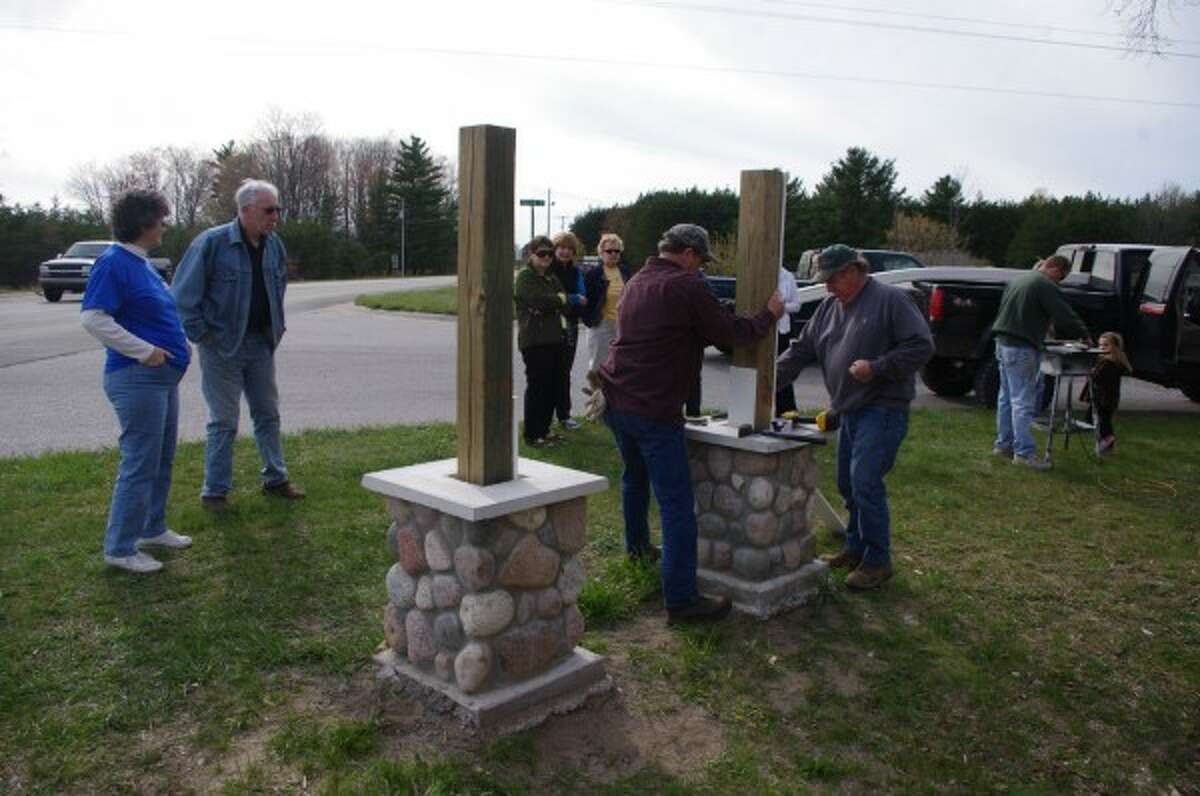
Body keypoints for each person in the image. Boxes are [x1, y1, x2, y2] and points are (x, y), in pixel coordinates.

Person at [597, 224, 784, 624]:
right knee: (678, 505)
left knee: (634, 478)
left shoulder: (638, 280)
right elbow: (730, 333)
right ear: (686, 252)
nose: (699, 268)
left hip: (618, 400)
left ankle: (637, 550)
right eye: (699, 260)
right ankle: (681, 600)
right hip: (653, 408)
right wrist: (768, 315)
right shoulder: (686, 286)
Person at [776, 244, 934, 591]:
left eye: (832, 279)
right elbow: (802, 348)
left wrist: (876, 368)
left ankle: (878, 560)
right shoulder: (831, 307)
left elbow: (921, 345)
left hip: (883, 407)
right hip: (848, 409)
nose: (828, 287)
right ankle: (856, 547)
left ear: (853, 271)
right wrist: (769, 380)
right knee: (849, 485)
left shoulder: (891, 300)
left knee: (865, 482)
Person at [171, 179, 305, 511]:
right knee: (224, 420)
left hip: (261, 345)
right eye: (269, 210)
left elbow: (280, 288)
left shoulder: (275, 245)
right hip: (222, 348)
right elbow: (182, 297)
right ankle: (214, 491)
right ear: (245, 210)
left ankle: (276, 479)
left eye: (277, 209)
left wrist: (277, 327)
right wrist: (205, 336)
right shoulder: (212, 243)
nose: (275, 216)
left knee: (268, 414)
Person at [81, 189, 193, 573]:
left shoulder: (141, 263)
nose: (165, 224)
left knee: (161, 458)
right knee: (140, 461)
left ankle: (152, 527)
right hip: (136, 378)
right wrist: (146, 351)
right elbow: (94, 317)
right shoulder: (113, 263)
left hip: (162, 379)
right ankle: (120, 547)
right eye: (162, 217)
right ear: (144, 222)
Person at [991, 254, 1092, 470]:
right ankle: (1024, 453)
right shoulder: (1044, 284)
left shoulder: (1020, 279)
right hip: (1021, 347)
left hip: (1002, 342)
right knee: (1022, 401)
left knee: (1006, 398)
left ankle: (1003, 445)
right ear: (1055, 268)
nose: (1059, 283)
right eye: (1060, 278)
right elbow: (1064, 314)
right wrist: (1083, 334)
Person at [515, 235, 569, 448]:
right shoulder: (525, 277)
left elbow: (565, 304)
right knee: (538, 387)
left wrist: (555, 302)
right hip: (535, 341)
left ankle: (545, 431)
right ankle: (532, 435)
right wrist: (556, 301)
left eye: (549, 253)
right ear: (532, 254)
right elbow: (537, 301)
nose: (546, 257)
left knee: (554, 387)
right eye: (541, 253)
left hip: (556, 338)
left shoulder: (551, 277)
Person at [548, 232, 587, 431]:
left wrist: (569, 299)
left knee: (564, 371)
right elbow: (550, 297)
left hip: (570, 326)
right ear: (555, 249)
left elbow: (583, 297)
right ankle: (545, 417)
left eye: (569, 249)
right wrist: (570, 299)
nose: (565, 251)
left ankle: (564, 415)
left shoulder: (576, 271)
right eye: (561, 247)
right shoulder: (547, 269)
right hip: (548, 326)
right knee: (547, 372)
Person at [581, 232, 630, 370]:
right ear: (601, 253)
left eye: (617, 251)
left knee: (619, 365)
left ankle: (611, 392)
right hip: (601, 325)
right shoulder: (593, 274)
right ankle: (595, 391)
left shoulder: (625, 272)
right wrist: (591, 321)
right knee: (598, 364)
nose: (613, 254)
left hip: (622, 325)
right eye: (609, 251)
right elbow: (586, 301)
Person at [1081, 331, 1131, 456]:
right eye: (1100, 345)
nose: (1102, 348)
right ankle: (1105, 444)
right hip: (1105, 398)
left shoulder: (1109, 363)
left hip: (1104, 399)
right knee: (1099, 420)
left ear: (1115, 347)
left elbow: (1098, 377)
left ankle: (1107, 441)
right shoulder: (1106, 361)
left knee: (1102, 421)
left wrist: (1090, 372)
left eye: (1106, 345)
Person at [774, 264, 803, 415]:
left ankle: (786, 412)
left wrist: (781, 307)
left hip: (781, 331)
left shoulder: (787, 276)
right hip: (762, 330)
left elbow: (796, 305)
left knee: (782, 371)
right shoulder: (758, 271)